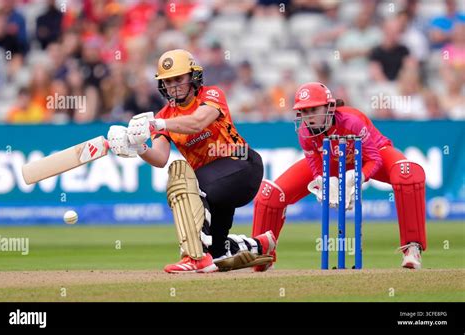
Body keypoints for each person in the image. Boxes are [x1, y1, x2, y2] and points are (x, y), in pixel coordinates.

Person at [106, 49, 276, 273]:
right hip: (214, 189)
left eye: (179, 79)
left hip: (242, 166)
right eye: (167, 81)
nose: (173, 86)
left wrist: (157, 125)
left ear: (193, 77)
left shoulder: (211, 95)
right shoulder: (164, 115)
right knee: (218, 251)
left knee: (186, 181)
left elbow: (197, 122)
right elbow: (159, 158)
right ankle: (261, 245)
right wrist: (138, 146)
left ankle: (195, 256)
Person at [252, 82, 427, 271]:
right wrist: (323, 182)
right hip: (331, 159)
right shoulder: (304, 132)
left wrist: (359, 178)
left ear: (329, 107)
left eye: (312, 109)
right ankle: (263, 256)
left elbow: (374, 159)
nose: (307, 117)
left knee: (407, 173)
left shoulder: (352, 121)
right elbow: (315, 165)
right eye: (303, 111)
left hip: (371, 154)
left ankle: (412, 248)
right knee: (269, 194)